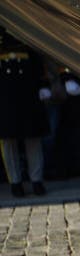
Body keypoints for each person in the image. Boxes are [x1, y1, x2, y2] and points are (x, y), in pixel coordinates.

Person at [0, 28, 50, 197]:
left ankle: (36, 180)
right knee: (8, 142)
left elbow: (37, 64)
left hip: (27, 95)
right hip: (4, 98)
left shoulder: (25, 37)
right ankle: (15, 182)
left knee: (33, 138)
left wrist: (44, 86)